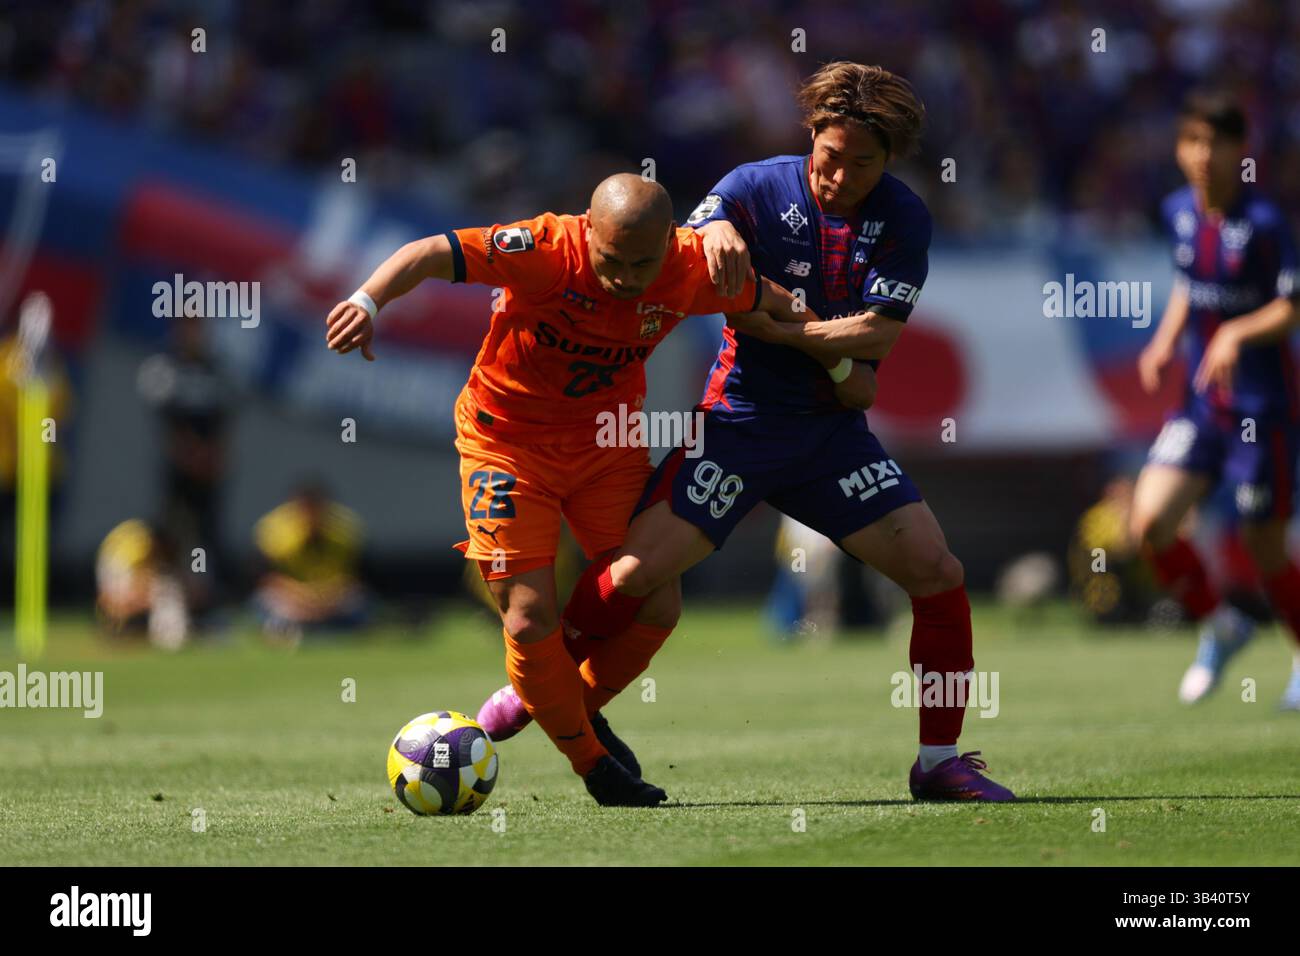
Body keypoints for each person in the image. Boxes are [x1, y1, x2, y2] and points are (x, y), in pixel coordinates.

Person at [477, 63, 1015, 801]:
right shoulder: (755, 186)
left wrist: (791, 332)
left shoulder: (905, 218)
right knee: (634, 576)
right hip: (738, 423)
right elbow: (702, 251)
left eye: (862, 164)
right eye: (830, 156)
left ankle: (939, 762)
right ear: (812, 137)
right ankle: (538, 697)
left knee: (939, 574)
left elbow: (878, 336)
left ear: (889, 160)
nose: (839, 176)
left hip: (831, 435)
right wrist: (726, 232)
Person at [325, 173, 858, 805]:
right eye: (612, 260)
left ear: (671, 241)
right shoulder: (544, 248)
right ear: (588, 229)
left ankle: (569, 708)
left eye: (643, 263)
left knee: (659, 607)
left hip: (607, 446)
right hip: (506, 444)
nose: (627, 278)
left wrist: (843, 360)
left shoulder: (693, 265)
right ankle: (592, 763)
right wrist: (366, 301)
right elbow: (430, 252)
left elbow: (776, 303)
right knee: (528, 620)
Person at [1131, 89, 1300, 709]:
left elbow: (1292, 305)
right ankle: (1221, 624)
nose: (1203, 155)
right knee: (1149, 523)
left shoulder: (1265, 223)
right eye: (1192, 141)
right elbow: (1187, 283)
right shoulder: (1179, 211)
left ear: (1240, 150)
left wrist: (1235, 331)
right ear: (1180, 148)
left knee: (1266, 549)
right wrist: (1165, 340)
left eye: (1216, 143)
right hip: (1202, 408)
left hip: (1264, 412)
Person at [251, 482, 368, 643]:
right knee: (270, 603)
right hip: (291, 596)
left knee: (357, 603)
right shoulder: (274, 531)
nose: (311, 517)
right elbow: (268, 578)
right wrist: (302, 598)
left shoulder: (345, 530)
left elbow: (355, 577)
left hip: (331, 597)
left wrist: (327, 598)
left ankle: (322, 631)